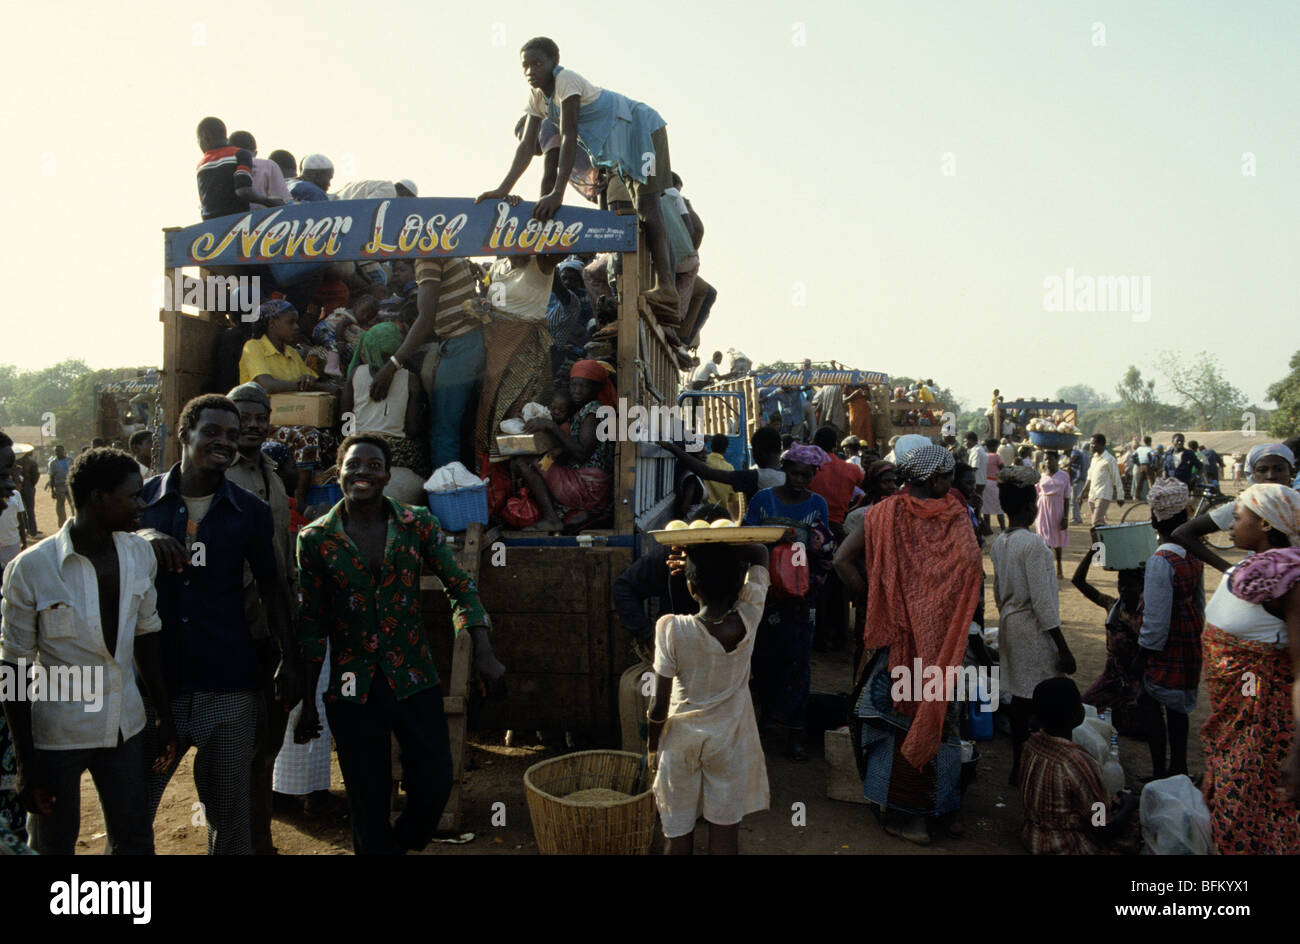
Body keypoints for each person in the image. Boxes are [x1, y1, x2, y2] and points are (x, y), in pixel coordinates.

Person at [293, 435, 506, 854]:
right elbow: (312, 624)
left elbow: (459, 585)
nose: (363, 473)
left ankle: (400, 845)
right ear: (339, 472)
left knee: (435, 779)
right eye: (354, 465)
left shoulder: (417, 524)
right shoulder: (316, 539)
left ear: (387, 475)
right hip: (353, 685)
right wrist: (306, 700)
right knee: (366, 796)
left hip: (412, 676)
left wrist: (484, 651)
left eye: (374, 466)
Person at [137, 395, 299, 855]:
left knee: (230, 825)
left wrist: (289, 658)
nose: (224, 442)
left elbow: (273, 588)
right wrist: (143, 536)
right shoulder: (143, 504)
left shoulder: (250, 510)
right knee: (134, 817)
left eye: (231, 435)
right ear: (185, 434)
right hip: (153, 688)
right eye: (212, 432)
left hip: (228, 684)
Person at [0, 448, 176, 855]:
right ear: (98, 498)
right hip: (58, 733)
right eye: (133, 496)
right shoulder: (32, 568)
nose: (142, 504)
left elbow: (148, 636)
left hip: (125, 725)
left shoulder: (138, 554)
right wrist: (25, 764)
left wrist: (163, 715)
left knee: (133, 839)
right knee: (53, 842)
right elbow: (14, 667)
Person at [834, 444, 982, 844]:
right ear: (933, 479)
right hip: (941, 647)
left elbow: (840, 561)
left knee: (894, 727)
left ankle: (906, 820)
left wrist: (874, 600)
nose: (952, 485)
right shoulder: (955, 518)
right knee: (942, 726)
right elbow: (972, 570)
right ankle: (942, 814)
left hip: (894, 643)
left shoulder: (880, 515)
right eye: (948, 477)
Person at [478, 37, 680, 314]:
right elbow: (526, 146)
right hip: (618, 147)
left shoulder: (566, 81)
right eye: (525, 65)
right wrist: (502, 189)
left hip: (641, 129)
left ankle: (667, 285)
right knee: (636, 211)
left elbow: (569, 135)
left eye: (537, 63)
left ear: (553, 63)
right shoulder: (537, 98)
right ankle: (659, 286)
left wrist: (557, 193)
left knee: (647, 207)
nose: (530, 71)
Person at [647, 541, 771, 854]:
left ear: (690, 586)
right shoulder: (749, 617)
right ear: (736, 585)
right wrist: (716, 554)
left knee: (677, 832)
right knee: (725, 833)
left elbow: (658, 706)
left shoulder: (671, 628)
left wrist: (651, 746)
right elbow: (760, 554)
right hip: (730, 743)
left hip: (679, 742)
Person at [1199, 484, 1300, 853]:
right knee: (1233, 805)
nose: (1230, 525)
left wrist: (1298, 752)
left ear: (1264, 523)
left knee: (1253, 813)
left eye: (1238, 517)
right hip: (1234, 719)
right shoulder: (1250, 570)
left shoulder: (1290, 581)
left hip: (1261, 729)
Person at [223, 383, 301, 853]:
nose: (253, 424)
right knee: (235, 746)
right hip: (234, 625)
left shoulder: (272, 473)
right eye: (243, 417)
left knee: (267, 740)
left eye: (260, 417)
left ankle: (260, 839)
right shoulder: (218, 472)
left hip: (273, 620)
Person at [742, 443, 831, 759]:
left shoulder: (817, 503)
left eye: (806, 475)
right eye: (794, 473)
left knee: (798, 661)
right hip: (764, 592)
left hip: (800, 595)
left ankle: (796, 730)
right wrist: (776, 536)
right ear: (785, 471)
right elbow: (746, 536)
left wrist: (812, 545)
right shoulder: (763, 500)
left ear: (813, 475)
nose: (799, 480)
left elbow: (824, 546)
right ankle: (768, 720)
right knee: (764, 658)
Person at [991, 465, 1077, 783]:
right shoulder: (1036, 547)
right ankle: (1042, 768)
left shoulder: (1001, 542)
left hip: (1010, 626)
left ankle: (1018, 764)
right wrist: (1063, 648)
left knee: (1019, 702)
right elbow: (1044, 605)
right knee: (1043, 701)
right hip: (1033, 633)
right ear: (1031, 506)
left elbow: (999, 593)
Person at [364, 251, 484, 472]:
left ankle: (447, 493)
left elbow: (425, 319)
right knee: (460, 427)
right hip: (468, 342)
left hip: (461, 344)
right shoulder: (446, 251)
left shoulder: (428, 258)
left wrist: (391, 366)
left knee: (442, 432)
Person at [1019, 678, 1139, 855]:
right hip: (1065, 846)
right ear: (1074, 714)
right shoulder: (1078, 762)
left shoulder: (1030, 744)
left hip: (1032, 835)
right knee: (1135, 821)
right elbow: (1103, 828)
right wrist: (1129, 805)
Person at [1135, 478, 1203, 780]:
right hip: (1188, 634)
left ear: (1153, 519)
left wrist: (1144, 651)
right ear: (1186, 515)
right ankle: (1179, 767)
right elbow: (1199, 601)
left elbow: (1156, 617)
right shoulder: (1192, 553)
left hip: (1167, 642)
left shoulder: (1161, 560)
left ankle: (1161, 770)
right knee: (1178, 707)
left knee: (1148, 703)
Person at [614, 504, 731, 659]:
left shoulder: (737, 563)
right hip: (677, 649)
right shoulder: (671, 557)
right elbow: (624, 587)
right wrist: (647, 635)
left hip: (722, 648)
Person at [512, 360, 616, 532]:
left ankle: (552, 518)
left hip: (588, 488)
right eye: (574, 385)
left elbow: (581, 453)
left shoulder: (594, 411)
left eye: (583, 386)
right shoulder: (585, 410)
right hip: (586, 483)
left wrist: (551, 427)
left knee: (523, 462)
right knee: (538, 461)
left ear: (595, 388)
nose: (576, 391)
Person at [1173, 443, 1295, 572]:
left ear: (1291, 472)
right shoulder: (1245, 507)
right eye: (1262, 470)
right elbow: (1183, 533)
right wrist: (1230, 571)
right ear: (1252, 473)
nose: (1271, 476)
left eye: (1279, 469)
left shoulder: (1296, 503)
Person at [1072, 548, 1147, 737]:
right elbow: (1078, 581)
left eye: (1129, 585)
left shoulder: (1146, 614)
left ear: (1141, 587)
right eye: (1121, 584)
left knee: (1139, 728)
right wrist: (1091, 553)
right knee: (1081, 712)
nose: (1123, 589)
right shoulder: (1113, 605)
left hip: (1135, 678)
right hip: (1112, 675)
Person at [661, 427, 785, 502]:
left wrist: (673, 448)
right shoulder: (788, 475)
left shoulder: (756, 477)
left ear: (757, 451)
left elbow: (707, 473)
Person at [195, 116, 282, 219]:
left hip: (210, 223)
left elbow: (204, 203)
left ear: (205, 137)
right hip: (236, 221)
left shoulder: (201, 165)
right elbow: (243, 190)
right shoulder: (239, 154)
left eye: (198, 140)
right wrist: (270, 202)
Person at [228, 131, 291, 209]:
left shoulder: (224, 167)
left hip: (231, 219)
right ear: (255, 152)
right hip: (264, 218)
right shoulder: (269, 165)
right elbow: (284, 200)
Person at [1034, 451, 1071, 577]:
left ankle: (1059, 565)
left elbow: (1067, 498)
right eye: (1046, 459)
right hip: (1043, 509)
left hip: (1058, 509)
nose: (1048, 462)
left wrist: (1065, 517)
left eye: (1050, 459)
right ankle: (1048, 568)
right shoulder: (1041, 476)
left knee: (1057, 538)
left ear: (1056, 460)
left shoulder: (1064, 476)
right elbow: (1036, 493)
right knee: (1044, 538)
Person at [1082, 433, 1123, 527]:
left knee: (1096, 522)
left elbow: (1116, 478)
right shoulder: (1094, 459)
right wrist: (1082, 493)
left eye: (1093, 443)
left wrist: (1120, 496)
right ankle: (1104, 539)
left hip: (1103, 495)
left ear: (1101, 444)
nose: (1091, 446)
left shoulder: (1109, 460)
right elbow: (1089, 477)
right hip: (1092, 495)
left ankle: (1104, 540)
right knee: (1098, 523)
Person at [702, 434, 736, 510]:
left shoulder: (703, 462)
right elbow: (732, 498)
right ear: (725, 449)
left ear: (711, 446)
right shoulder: (730, 468)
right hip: (721, 513)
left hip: (704, 510)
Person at [981, 437, 1005, 533]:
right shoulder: (996, 456)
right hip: (995, 483)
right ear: (994, 446)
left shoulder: (984, 456)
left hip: (985, 482)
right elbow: (1002, 468)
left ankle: (988, 529)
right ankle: (1003, 528)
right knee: (999, 506)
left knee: (986, 507)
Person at [0, 483, 25, 569]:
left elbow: (20, 519)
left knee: (13, 573)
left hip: (13, 542)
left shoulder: (16, 494)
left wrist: (24, 541)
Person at [45, 445, 71, 527]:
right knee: (60, 506)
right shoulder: (52, 463)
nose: (57, 453)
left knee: (73, 504)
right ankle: (62, 524)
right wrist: (52, 490)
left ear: (63, 451)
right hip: (59, 486)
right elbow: (51, 477)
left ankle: (76, 522)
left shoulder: (70, 460)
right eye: (56, 451)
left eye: (59, 451)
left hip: (70, 485)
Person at [16, 449, 38, 536]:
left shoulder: (16, 461)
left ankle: (24, 529)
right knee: (30, 509)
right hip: (29, 486)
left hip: (19, 487)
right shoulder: (32, 462)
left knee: (21, 509)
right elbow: (36, 476)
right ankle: (33, 530)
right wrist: (32, 484)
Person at [1130, 436, 1153, 501]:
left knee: (1140, 482)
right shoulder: (1149, 449)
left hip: (1140, 467)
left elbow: (1133, 457)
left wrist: (1137, 463)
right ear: (1150, 442)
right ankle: (1151, 496)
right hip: (1146, 466)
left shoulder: (1140, 449)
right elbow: (1154, 457)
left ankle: (1137, 496)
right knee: (1150, 481)